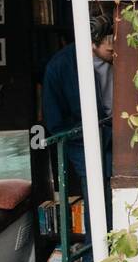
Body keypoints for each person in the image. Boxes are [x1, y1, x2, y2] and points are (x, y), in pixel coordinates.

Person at [42, 13, 115, 233]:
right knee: (97, 197)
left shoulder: (120, 57)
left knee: (121, 189)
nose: (115, 51)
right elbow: (54, 120)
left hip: (118, 130)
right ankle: (95, 256)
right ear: (92, 45)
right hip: (82, 138)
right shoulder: (60, 66)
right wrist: (84, 134)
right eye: (109, 47)